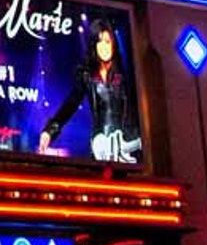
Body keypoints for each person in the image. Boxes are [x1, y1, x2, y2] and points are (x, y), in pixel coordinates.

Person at [39, 18, 140, 163]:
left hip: (128, 148)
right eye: (99, 42)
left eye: (107, 41)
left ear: (114, 44)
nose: (104, 47)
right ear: (94, 45)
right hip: (101, 148)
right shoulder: (87, 76)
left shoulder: (126, 74)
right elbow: (70, 105)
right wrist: (50, 131)